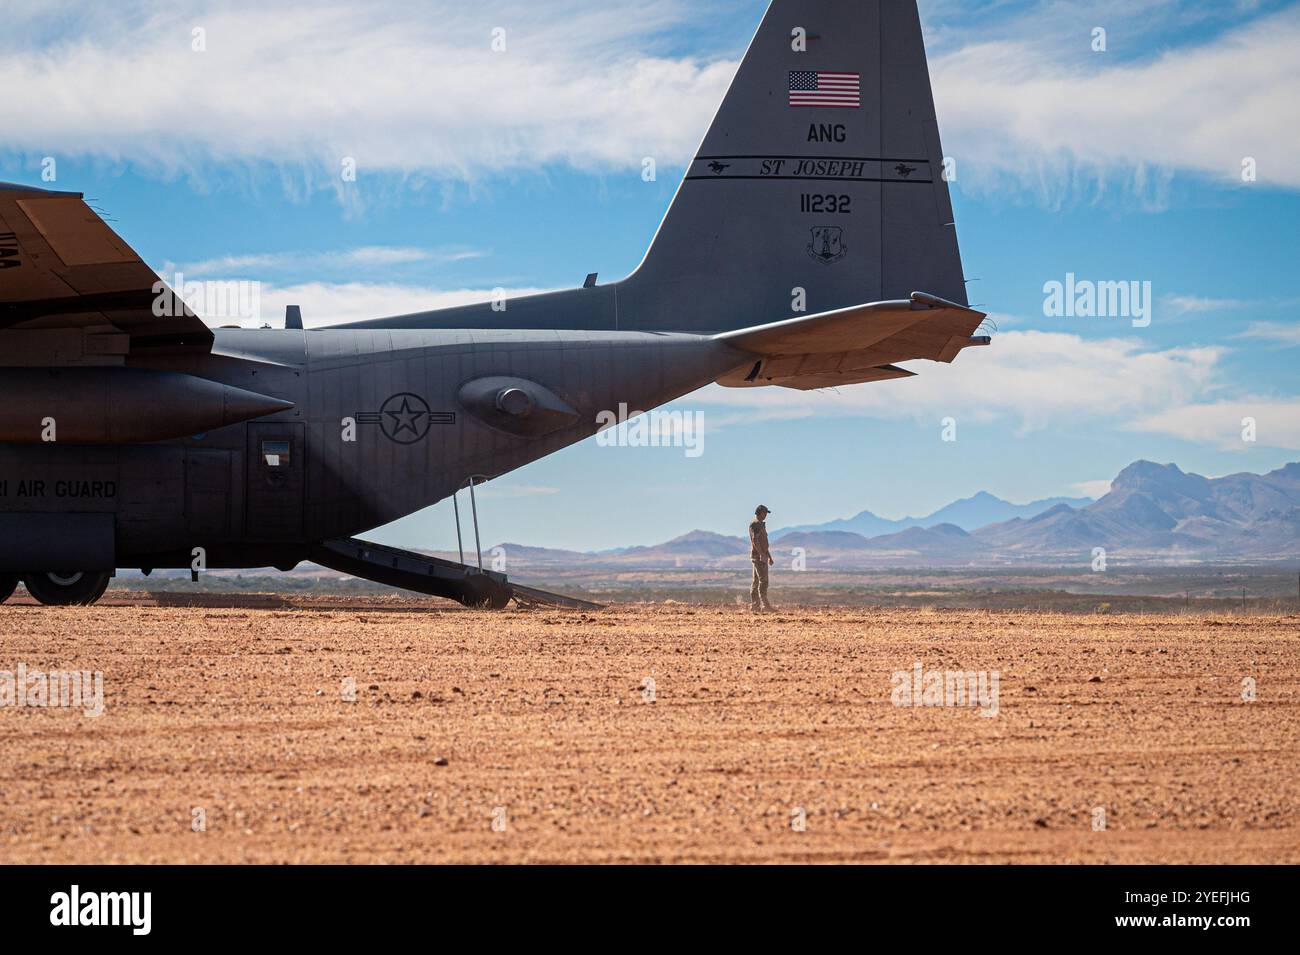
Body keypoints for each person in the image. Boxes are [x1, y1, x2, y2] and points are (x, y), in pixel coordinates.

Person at [749, 505, 775, 612]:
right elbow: (755, 540)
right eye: (764, 513)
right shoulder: (755, 524)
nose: (765, 515)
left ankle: (755, 606)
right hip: (758, 557)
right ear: (759, 512)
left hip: (761, 556)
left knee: (756, 581)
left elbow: (763, 543)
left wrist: (769, 556)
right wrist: (761, 554)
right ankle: (765, 606)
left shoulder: (761, 525)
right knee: (763, 581)